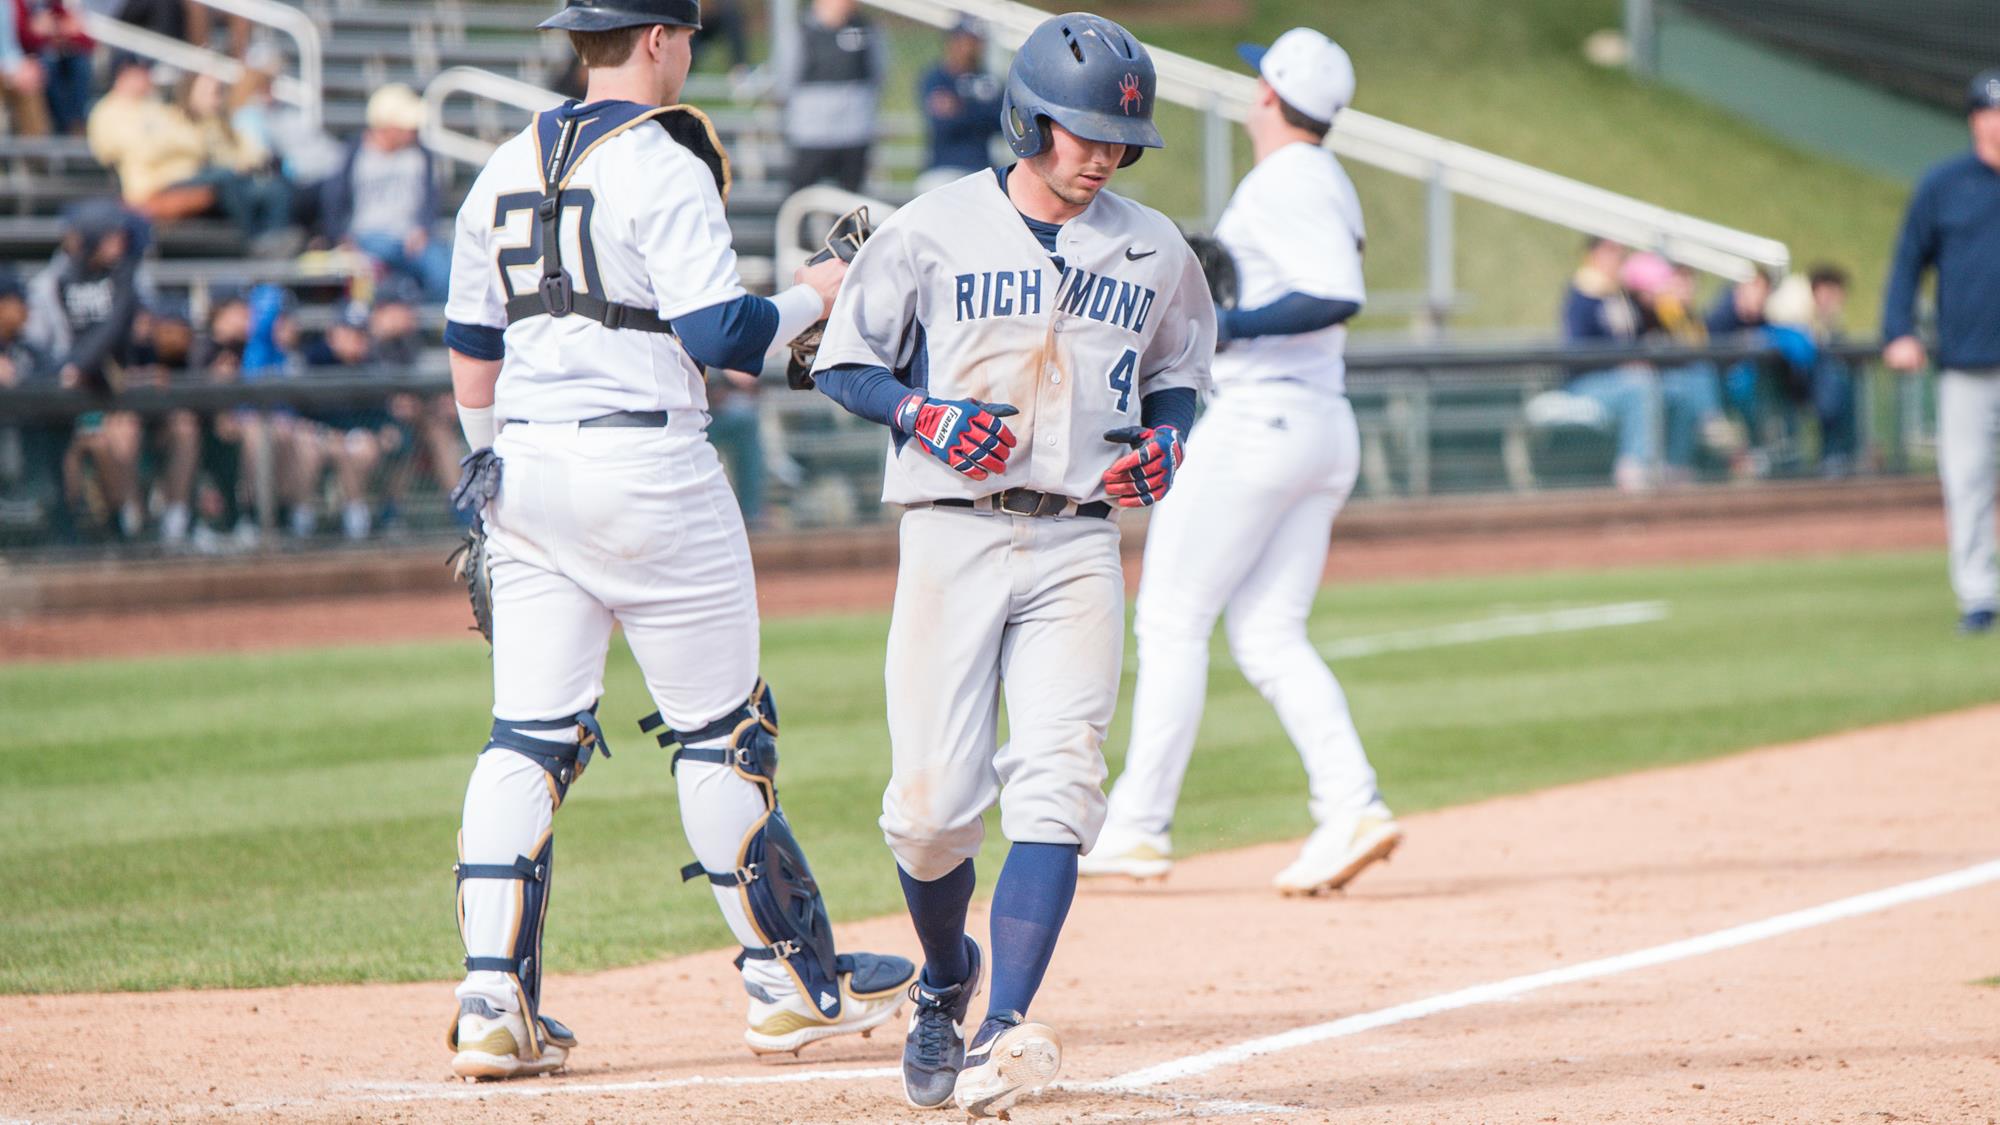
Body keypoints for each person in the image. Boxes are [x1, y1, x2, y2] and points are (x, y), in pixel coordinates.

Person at [440, 0, 916, 1081]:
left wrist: (486, 474)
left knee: (526, 737)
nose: (690, 51)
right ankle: (789, 984)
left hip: (526, 470)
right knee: (718, 732)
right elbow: (723, 336)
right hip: (648, 468)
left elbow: (473, 353)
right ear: (656, 39)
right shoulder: (661, 157)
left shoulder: (502, 161)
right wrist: (819, 292)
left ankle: (488, 1004)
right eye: (687, 35)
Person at [810, 14, 1213, 1115]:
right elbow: (845, 362)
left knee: (1059, 779)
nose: (1098, 156)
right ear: (1025, 119)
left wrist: (1166, 441)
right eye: (1078, 133)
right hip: (953, 529)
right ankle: (946, 978)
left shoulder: (1150, 244)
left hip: (1081, 537)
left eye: (1115, 142)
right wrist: (921, 414)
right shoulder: (933, 226)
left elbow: (1179, 370)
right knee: (931, 809)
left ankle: (1002, 1029)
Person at [1079, 27, 1397, 898]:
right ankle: (1351, 802)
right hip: (1317, 421)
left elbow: (1336, 292)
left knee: (1173, 619)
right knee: (1266, 630)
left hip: (1261, 421)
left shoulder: (1288, 178)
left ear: (1269, 95)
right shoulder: (1322, 177)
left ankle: (1139, 826)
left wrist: (1228, 322)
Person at [1882, 69, 2000, 634]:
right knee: (1968, 479)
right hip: (1968, 361)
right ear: (1974, 118)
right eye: (1990, 111)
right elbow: (1908, 261)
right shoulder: (1945, 184)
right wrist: (1897, 330)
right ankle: (1978, 596)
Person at [25, 200, 147, 538]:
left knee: (120, 438)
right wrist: (70, 368)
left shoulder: (125, 277)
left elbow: (115, 328)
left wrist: (80, 365)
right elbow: (45, 340)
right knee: (70, 448)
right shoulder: (58, 279)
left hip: (111, 387)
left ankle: (123, 523)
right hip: (67, 391)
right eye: (110, 237)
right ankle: (67, 527)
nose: (119, 244)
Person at [323, 84, 450, 299]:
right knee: (373, 266)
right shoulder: (355, 153)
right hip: (366, 236)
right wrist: (342, 238)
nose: (412, 131)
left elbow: (430, 200)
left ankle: (437, 324)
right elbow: (334, 199)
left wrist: (422, 229)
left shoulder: (421, 155)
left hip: (411, 238)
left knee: (442, 269)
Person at [1621, 251, 1733, 483]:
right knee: (1689, 380)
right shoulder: (1636, 310)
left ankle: (1678, 463)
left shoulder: (1676, 313)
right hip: (1641, 380)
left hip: (1666, 380)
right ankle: (1711, 421)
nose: (1663, 291)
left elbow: (1695, 347)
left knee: (1690, 385)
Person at [1560, 236, 1657, 492]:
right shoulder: (1582, 294)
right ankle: (1633, 468)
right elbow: (1578, 349)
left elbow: (1639, 335)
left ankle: (1674, 468)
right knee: (1639, 387)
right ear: (1594, 255)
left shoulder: (1621, 295)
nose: (1617, 260)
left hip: (1624, 381)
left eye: (1620, 253)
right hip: (1588, 382)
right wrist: (1621, 364)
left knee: (1675, 388)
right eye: (1611, 252)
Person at [86, 55, 216, 223]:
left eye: (146, 71)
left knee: (231, 179)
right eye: (138, 72)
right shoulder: (107, 111)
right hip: (149, 189)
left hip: (189, 179)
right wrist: (168, 144)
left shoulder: (159, 108)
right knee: (226, 182)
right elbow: (119, 150)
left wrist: (160, 143)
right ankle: (257, 238)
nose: (145, 77)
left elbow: (197, 143)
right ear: (122, 74)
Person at [774, 0, 883, 194]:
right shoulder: (800, 31)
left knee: (850, 200)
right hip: (811, 134)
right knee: (799, 195)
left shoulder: (867, 30)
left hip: (854, 132)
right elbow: (786, 79)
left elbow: (878, 73)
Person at [915, 19, 1001, 190]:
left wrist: (962, 108)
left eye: (976, 41)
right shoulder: (936, 78)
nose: (970, 47)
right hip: (942, 168)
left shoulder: (988, 79)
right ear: (952, 42)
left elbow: (1001, 122)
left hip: (981, 168)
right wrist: (981, 110)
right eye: (966, 40)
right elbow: (943, 124)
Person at [16, 0, 90, 135]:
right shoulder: (17, 5)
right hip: (28, 58)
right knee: (48, 64)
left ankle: (76, 122)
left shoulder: (55, 6)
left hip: (57, 54)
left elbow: (86, 41)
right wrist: (38, 32)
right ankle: (66, 125)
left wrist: (64, 31)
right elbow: (19, 39)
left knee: (80, 63)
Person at [0, 0, 50, 137]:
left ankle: (36, 154)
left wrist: (22, 66)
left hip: (12, 65)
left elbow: (10, 47)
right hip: (6, 69)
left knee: (30, 83)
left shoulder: (7, 4)